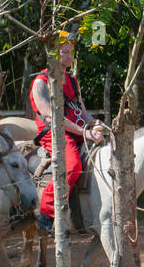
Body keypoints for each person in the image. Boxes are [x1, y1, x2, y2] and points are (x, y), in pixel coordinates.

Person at [30, 31, 105, 233]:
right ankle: (46, 214)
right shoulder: (40, 82)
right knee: (72, 164)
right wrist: (85, 132)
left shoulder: (72, 81)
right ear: (54, 53)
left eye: (71, 52)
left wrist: (95, 122)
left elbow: (81, 110)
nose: (70, 57)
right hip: (53, 132)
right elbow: (51, 117)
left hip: (76, 128)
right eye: (65, 52)